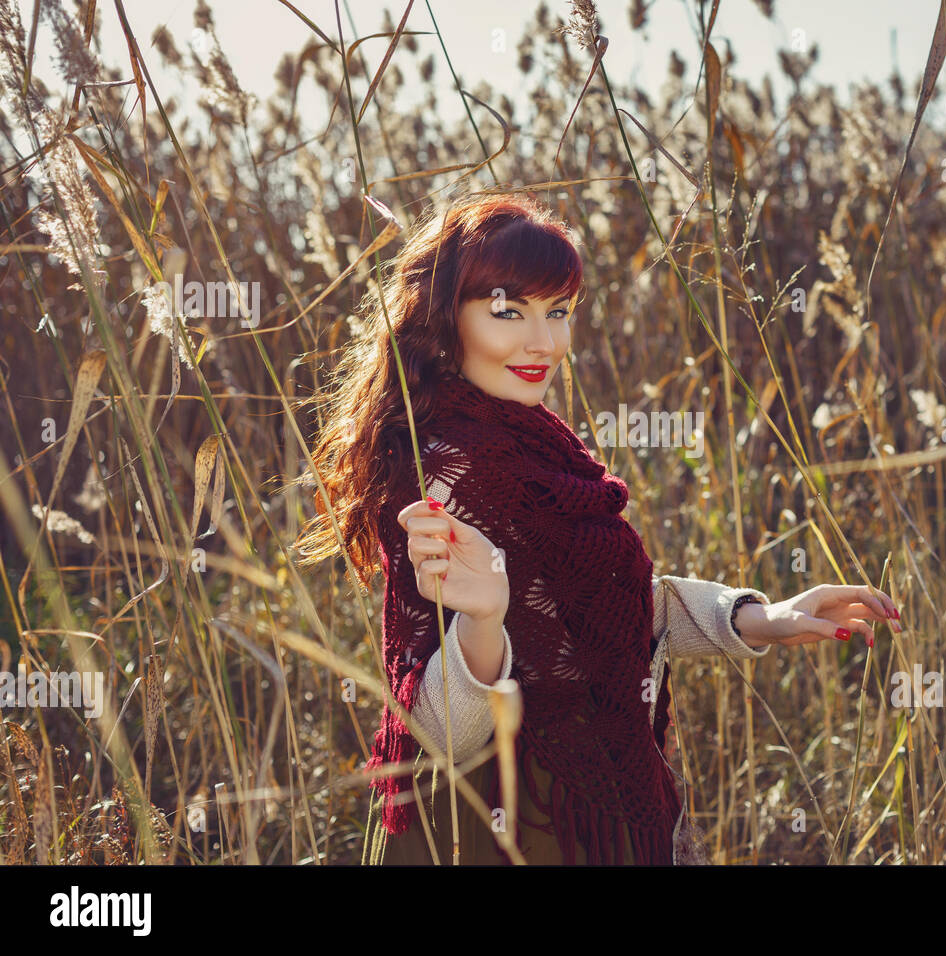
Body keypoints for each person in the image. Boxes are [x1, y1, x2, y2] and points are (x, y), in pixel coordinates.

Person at [294, 193, 903, 865]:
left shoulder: (531, 440)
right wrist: (484, 622)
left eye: (557, 313)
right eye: (508, 312)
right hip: (504, 824)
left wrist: (764, 615)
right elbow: (434, 731)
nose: (544, 342)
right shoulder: (443, 466)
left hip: (579, 803)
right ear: (446, 318)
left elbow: (606, 602)